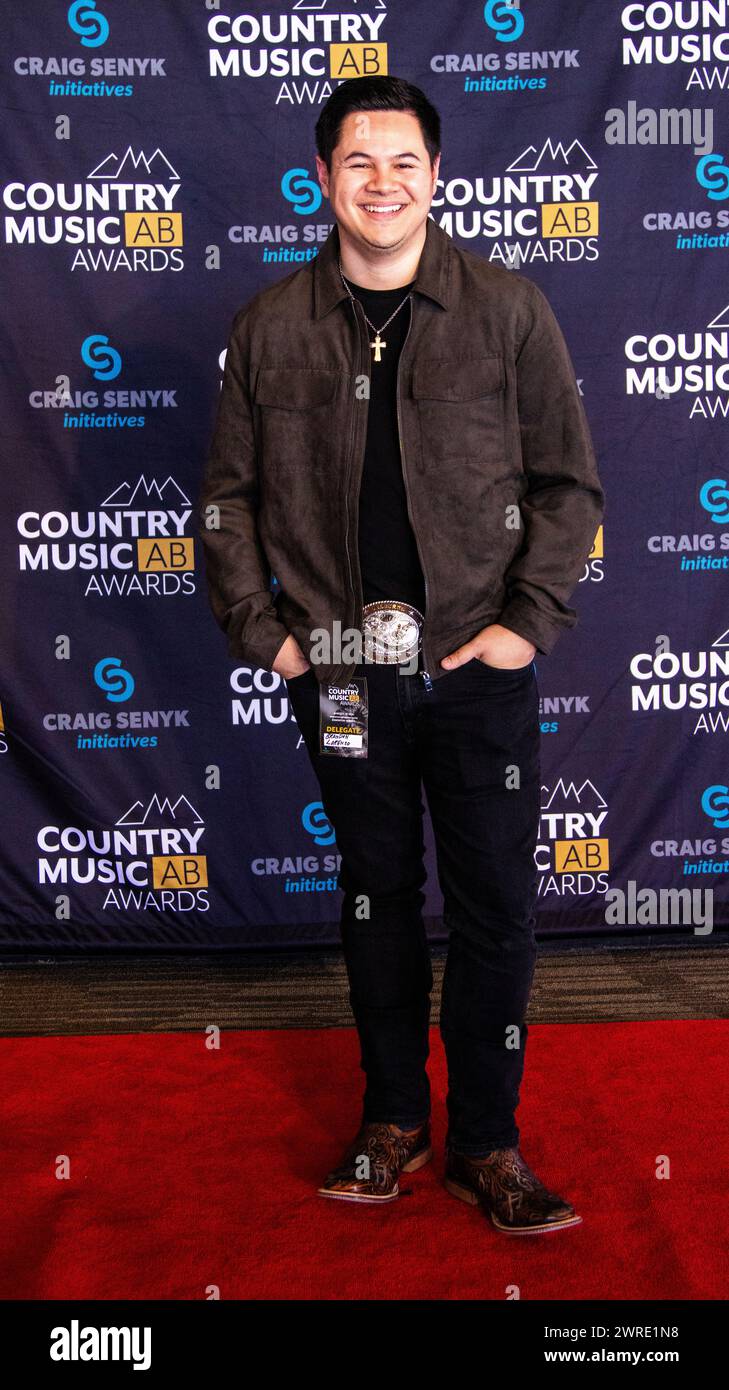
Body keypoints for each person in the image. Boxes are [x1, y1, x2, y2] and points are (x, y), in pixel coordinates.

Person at [197, 75, 604, 1235]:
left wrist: (525, 625)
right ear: (322, 178)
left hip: (477, 673)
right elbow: (225, 503)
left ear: (437, 175)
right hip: (337, 676)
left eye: (404, 161)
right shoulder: (269, 326)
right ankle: (392, 1122)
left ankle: (486, 1140)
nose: (383, 182)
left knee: (497, 910)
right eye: (358, 162)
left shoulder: (510, 310)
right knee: (375, 898)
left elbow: (567, 484)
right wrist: (267, 636)